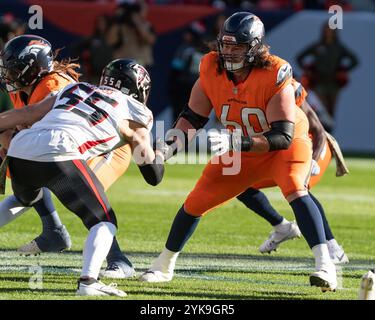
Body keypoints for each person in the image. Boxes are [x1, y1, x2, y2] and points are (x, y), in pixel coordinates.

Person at [141, 12, 337, 292]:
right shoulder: (210, 66)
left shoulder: (274, 72)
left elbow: (281, 135)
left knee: (294, 186)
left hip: (286, 142)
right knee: (197, 200)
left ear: (255, 47)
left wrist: (239, 143)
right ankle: (163, 265)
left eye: (238, 46)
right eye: (226, 45)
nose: (230, 52)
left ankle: (325, 265)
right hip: (242, 143)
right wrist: (165, 150)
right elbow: (193, 117)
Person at [0, 58, 164, 296]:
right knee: (103, 221)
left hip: (20, 150)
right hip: (61, 151)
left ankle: (57, 236)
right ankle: (88, 282)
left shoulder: (75, 88)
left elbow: (28, 113)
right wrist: (159, 152)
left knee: (26, 199)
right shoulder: (136, 110)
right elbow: (153, 174)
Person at [236, 79, 349, 264]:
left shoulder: (284, 85)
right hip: (276, 151)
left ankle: (332, 248)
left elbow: (319, 130)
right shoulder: (234, 87)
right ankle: (282, 227)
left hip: (310, 145)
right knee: (236, 180)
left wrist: (312, 160)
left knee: (298, 187)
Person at [296, 23, 358, 122]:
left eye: (331, 30)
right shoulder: (318, 46)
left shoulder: (338, 47)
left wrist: (343, 70)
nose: (328, 32)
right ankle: (320, 131)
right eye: (326, 30)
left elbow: (355, 60)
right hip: (319, 81)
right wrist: (308, 70)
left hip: (334, 83)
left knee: (331, 110)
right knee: (321, 108)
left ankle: (329, 133)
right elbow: (299, 57)